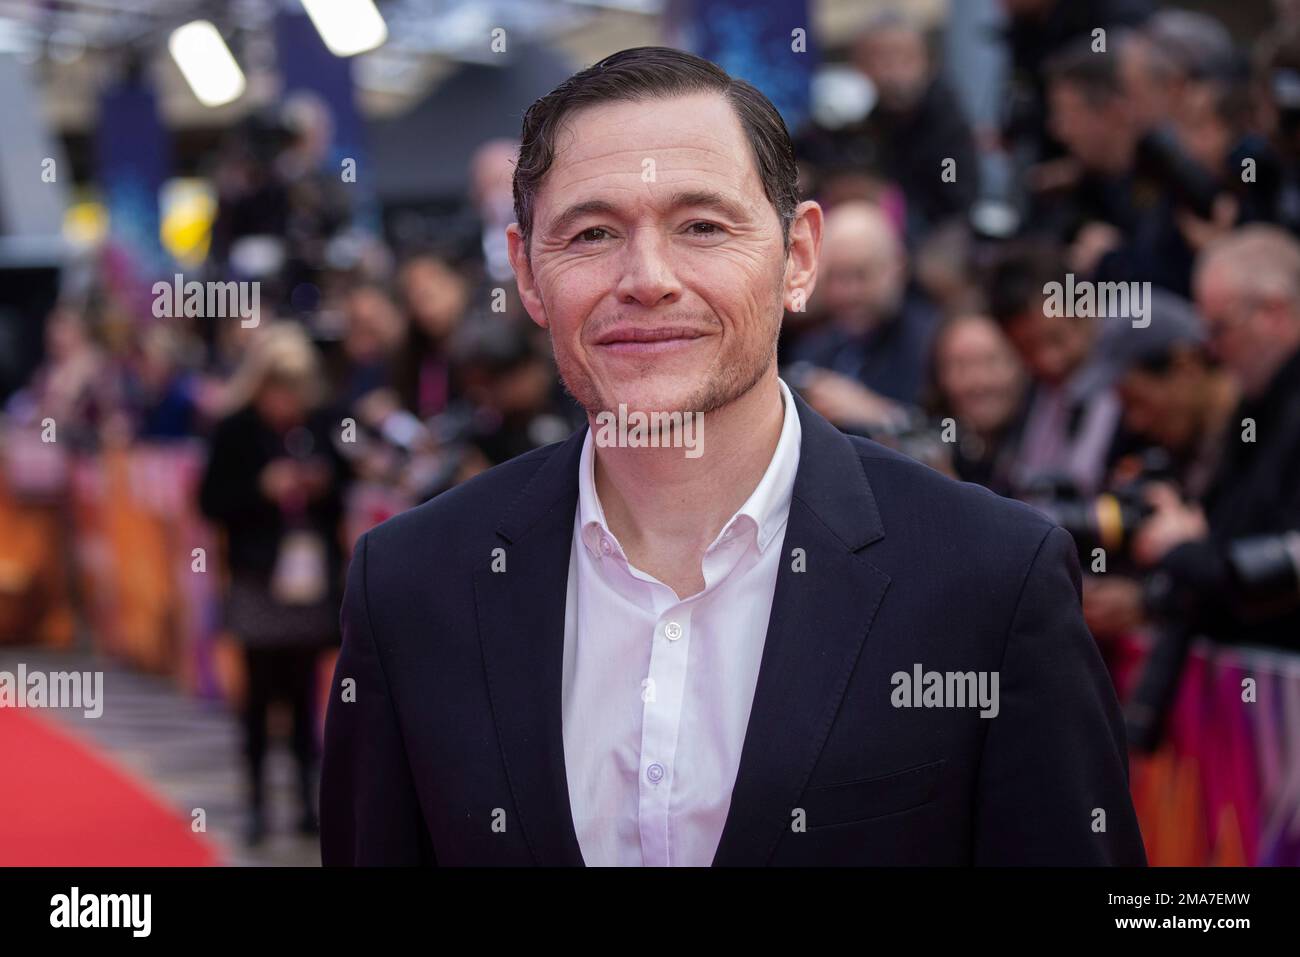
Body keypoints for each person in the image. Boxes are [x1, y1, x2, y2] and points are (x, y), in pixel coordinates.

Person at [321, 46, 1145, 867]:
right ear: (529, 274)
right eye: (593, 232)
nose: (646, 278)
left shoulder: (991, 578)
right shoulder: (410, 586)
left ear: (797, 258)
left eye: (703, 226)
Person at [200, 322, 349, 845]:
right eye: (277, 390)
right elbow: (210, 502)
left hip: (310, 578)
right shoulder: (235, 428)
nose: (286, 402)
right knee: (259, 696)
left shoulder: (323, 422)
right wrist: (261, 489)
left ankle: (310, 802)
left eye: (295, 390)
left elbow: (345, 485)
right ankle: (258, 805)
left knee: (308, 690)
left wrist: (321, 482)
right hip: (257, 578)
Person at [1131, 226, 1300, 653]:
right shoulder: (1257, 405)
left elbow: (1267, 574)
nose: (1213, 350)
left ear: (1273, 313)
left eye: (1220, 328)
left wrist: (1183, 549)